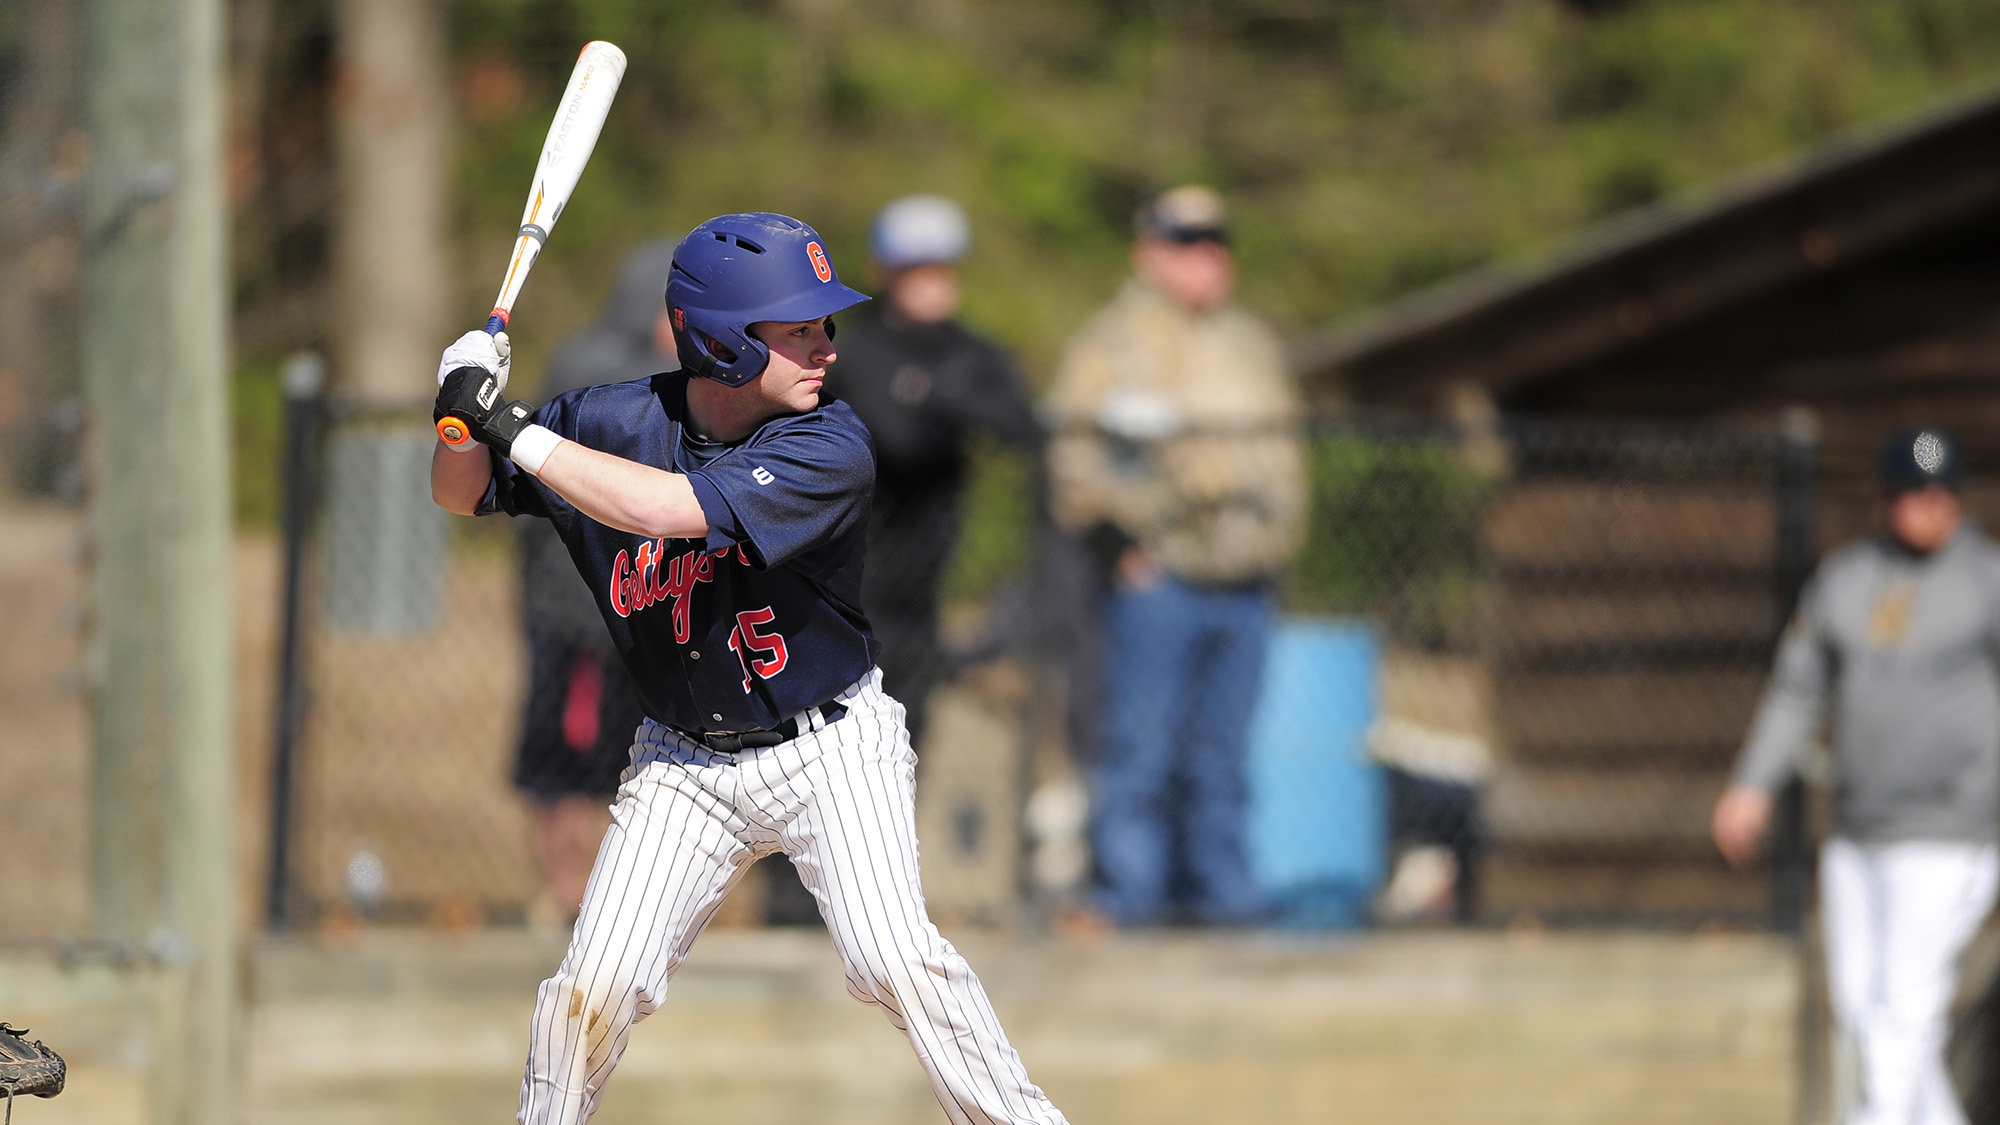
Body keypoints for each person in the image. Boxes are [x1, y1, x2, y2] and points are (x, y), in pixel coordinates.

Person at [430, 213, 1070, 1125]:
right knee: (593, 986)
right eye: (797, 329)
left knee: (895, 960)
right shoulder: (608, 420)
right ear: (721, 343)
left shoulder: (830, 443)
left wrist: (513, 427)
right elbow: (460, 493)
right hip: (683, 764)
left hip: (831, 749)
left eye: (825, 325)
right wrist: (459, 419)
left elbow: (662, 508)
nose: (825, 348)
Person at [1713, 426, 2000, 1125]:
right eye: (1913, 492)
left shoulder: (1987, 577)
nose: (1929, 506)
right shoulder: (1844, 579)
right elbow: (1797, 689)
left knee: (1902, 1011)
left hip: (1950, 829)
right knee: (1862, 1012)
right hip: (1857, 829)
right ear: (1884, 496)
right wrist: (1752, 783)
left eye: (1941, 492)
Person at [1043, 185, 1307, 927]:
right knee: (1142, 749)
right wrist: (1117, 544)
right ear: (1148, 252)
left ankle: (1223, 904)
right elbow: (1073, 452)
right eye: (1186, 240)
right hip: (1161, 577)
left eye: (1215, 239)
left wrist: (1279, 546)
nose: (1205, 255)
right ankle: (1134, 902)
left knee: (1223, 757)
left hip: (1248, 580)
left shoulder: (1249, 342)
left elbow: (1284, 459)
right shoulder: (1114, 343)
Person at [823, 194, 1040, 751]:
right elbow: (898, 440)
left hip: (926, 575)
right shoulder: (852, 346)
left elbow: (1022, 426)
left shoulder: (971, 350)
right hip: (845, 568)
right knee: (835, 730)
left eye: (941, 269)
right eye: (917, 271)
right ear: (887, 275)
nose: (933, 284)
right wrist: (947, 399)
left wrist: (933, 394)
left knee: (909, 727)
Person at [512, 241, 676, 923]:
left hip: (638, 607)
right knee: (567, 748)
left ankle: (614, 889)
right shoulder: (599, 368)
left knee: (625, 751)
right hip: (577, 599)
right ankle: (566, 888)